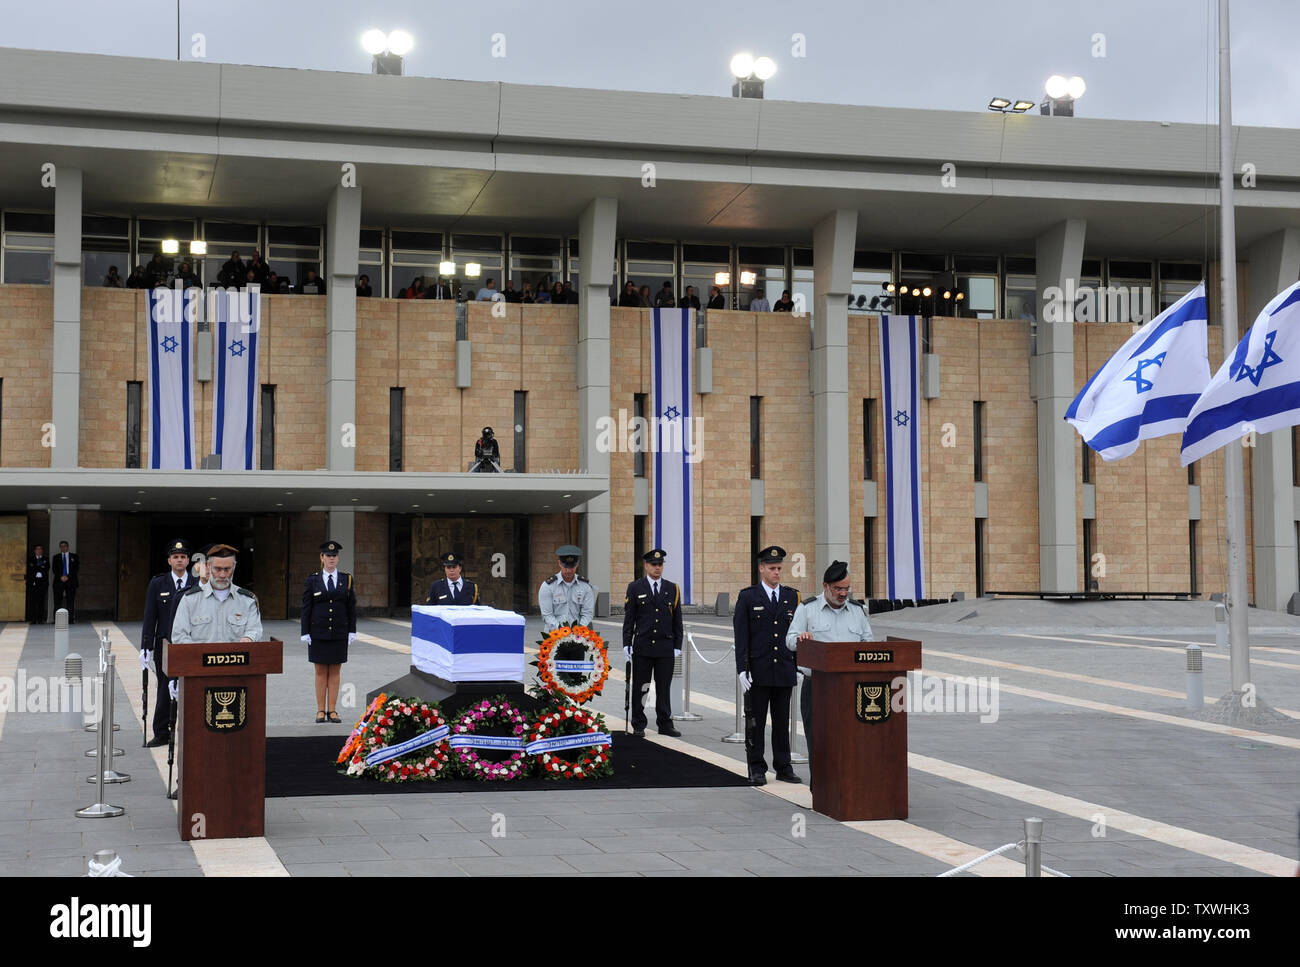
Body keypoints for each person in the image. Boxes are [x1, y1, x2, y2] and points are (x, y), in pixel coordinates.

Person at [786, 560, 872, 781]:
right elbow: (790, 640)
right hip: (817, 687)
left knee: (850, 739)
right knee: (818, 740)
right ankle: (821, 789)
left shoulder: (857, 611)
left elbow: (868, 644)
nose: (843, 594)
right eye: (838, 589)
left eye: (846, 588)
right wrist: (801, 639)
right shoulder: (807, 608)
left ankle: (849, 786)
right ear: (826, 586)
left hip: (851, 686)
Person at [733, 545, 801, 785]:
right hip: (758, 671)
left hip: (783, 669)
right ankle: (756, 766)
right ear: (761, 569)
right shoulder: (748, 597)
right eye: (772, 568)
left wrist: (798, 665)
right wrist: (742, 668)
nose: (776, 573)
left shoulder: (792, 596)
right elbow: (741, 636)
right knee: (756, 722)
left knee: (782, 722)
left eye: (780, 568)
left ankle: (783, 766)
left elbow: (797, 633)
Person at [139, 539, 196, 747]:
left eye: (182, 557)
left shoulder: (197, 584)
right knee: (164, 688)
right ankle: (162, 732)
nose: (179, 560)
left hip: (189, 645)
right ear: (169, 560)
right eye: (175, 557)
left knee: (191, 689)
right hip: (165, 645)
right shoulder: (158, 583)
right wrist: (146, 646)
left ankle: (192, 730)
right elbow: (149, 616)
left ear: (188, 560)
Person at [622, 548, 684, 737]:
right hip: (643, 645)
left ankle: (665, 723)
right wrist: (627, 643)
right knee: (641, 686)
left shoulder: (672, 588)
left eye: (660, 564)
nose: (658, 568)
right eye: (654, 565)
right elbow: (629, 618)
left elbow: (677, 620)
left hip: (665, 647)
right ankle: (639, 723)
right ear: (646, 566)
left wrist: (677, 646)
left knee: (664, 687)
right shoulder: (635, 588)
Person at [300, 539, 357, 724]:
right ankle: (320, 710)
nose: (331, 559)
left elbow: (351, 607)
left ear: (338, 558)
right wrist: (305, 631)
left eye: (334, 556)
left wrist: (352, 631)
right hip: (318, 632)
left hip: (339, 632)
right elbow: (306, 607)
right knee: (320, 671)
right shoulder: (313, 579)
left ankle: (332, 710)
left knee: (335, 671)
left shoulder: (346, 579)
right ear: (322, 558)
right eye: (328, 556)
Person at [171, 544, 263, 646]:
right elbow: (179, 635)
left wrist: (248, 638)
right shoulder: (190, 599)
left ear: (234, 567)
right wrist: (199, 653)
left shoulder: (247, 600)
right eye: (218, 569)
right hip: (199, 660)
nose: (222, 575)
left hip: (237, 659)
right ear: (208, 566)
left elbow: (255, 629)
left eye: (227, 569)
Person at [538, 545, 596, 632]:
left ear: (577, 564)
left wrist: (578, 630)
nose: (568, 571)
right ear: (559, 563)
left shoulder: (585, 587)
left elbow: (587, 613)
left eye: (572, 567)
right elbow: (547, 615)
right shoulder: (548, 586)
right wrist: (561, 631)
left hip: (579, 636)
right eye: (565, 567)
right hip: (554, 635)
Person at [52, 540, 79, 623]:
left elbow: (76, 569)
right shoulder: (56, 557)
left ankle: (70, 619)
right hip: (59, 581)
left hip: (70, 581)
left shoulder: (74, 557)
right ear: (60, 548)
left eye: (65, 546)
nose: (63, 548)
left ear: (68, 547)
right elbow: (54, 569)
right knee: (57, 601)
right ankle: (57, 620)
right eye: (61, 546)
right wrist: (61, 576)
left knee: (70, 601)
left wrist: (67, 576)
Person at [25, 544, 49, 624]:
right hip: (33, 583)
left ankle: (40, 619)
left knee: (41, 602)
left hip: (42, 583)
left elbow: (46, 569)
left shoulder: (46, 559)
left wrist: (37, 567)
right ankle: (33, 619)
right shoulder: (30, 559)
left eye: (40, 549)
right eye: (37, 549)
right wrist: (40, 567)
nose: (39, 551)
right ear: (35, 551)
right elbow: (30, 569)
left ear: (42, 551)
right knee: (32, 602)